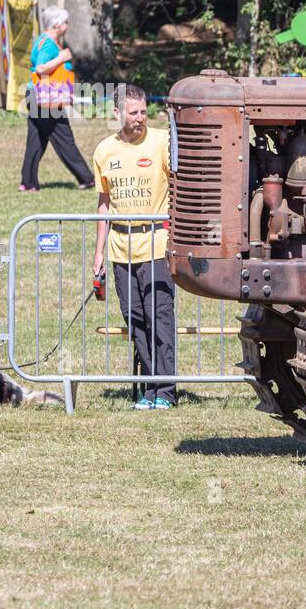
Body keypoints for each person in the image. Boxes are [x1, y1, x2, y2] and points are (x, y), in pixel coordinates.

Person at [91, 84, 176, 410]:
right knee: (136, 319)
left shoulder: (162, 143)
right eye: (133, 112)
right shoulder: (104, 151)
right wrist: (99, 252)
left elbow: (179, 186)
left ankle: (166, 391)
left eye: (143, 111)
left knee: (160, 317)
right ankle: (148, 389)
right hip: (119, 248)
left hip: (155, 244)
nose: (140, 118)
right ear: (117, 114)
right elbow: (104, 204)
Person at [22, 5, 94, 193]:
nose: (68, 25)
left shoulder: (44, 40)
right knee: (63, 136)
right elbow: (41, 68)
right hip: (46, 98)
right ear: (56, 24)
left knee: (36, 138)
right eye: (65, 22)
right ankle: (87, 178)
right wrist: (62, 58)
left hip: (38, 96)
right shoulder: (48, 43)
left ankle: (28, 183)